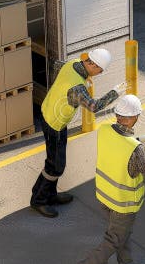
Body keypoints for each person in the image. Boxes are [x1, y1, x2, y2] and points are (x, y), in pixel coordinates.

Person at [59, 94, 145, 264]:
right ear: (133, 118)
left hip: (105, 196)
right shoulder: (135, 149)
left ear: (118, 115)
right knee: (112, 241)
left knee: (121, 234)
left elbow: (119, 149)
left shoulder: (104, 130)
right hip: (123, 204)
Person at [31, 48, 125, 218]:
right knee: (55, 166)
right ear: (93, 65)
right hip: (54, 124)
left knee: (55, 162)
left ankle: (50, 195)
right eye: (100, 70)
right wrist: (114, 93)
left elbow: (57, 66)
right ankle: (39, 200)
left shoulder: (73, 63)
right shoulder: (77, 88)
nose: (100, 74)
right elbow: (94, 106)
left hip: (51, 113)